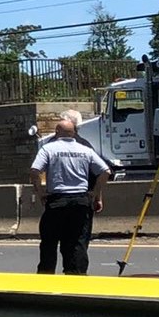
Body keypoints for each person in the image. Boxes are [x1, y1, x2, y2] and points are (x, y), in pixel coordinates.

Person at [31, 113, 111, 274]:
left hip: (57, 201)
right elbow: (105, 171)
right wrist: (95, 193)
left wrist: (40, 192)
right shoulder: (85, 150)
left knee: (49, 242)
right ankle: (76, 276)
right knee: (77, 242)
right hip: (81, 201)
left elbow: (35, 171)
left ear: (56, 132)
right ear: (73, 133)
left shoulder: (48, 148)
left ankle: (46, 276)